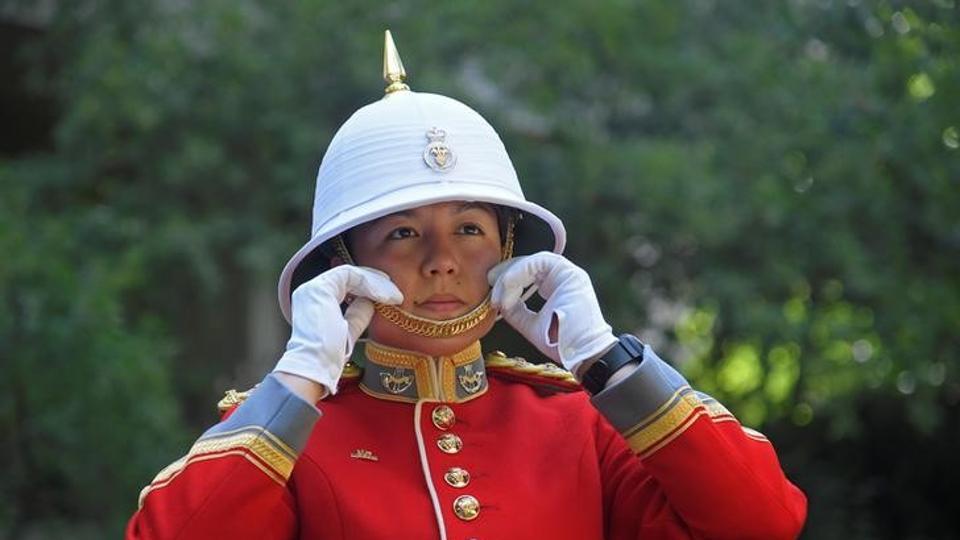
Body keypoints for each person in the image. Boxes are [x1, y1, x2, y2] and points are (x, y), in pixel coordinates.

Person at [126, 31, 807, 539]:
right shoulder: (285, 433)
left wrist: (605, 357)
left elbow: (763, 522)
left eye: (471, 229)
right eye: (402, 233)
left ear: (509, 251)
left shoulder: (582, 424)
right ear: (344, 261)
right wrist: (304, 372)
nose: (442, 260)